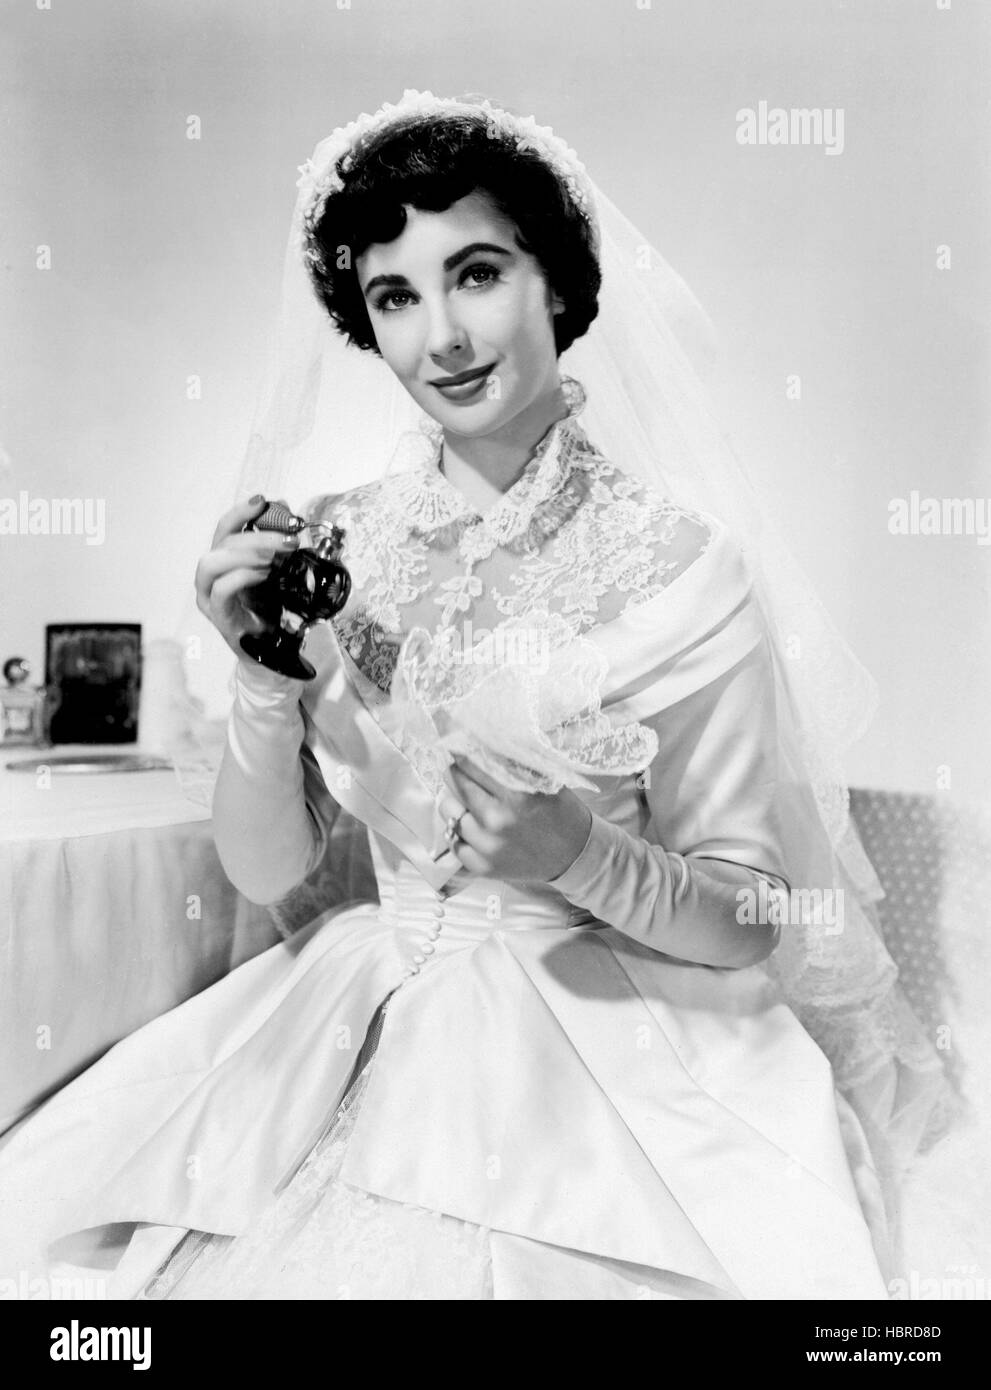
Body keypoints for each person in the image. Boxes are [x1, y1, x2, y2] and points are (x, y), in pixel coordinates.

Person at [0, 91, 949, 1300]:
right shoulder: (333, 540)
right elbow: (263, 872)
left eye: (478, 272)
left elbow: (757, 911)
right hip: (354, 1006)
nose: (441, 335)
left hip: (603, 1048)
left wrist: (584, 858)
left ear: (555, 281)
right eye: (395, 297)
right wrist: (258, 681)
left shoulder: (676, 562)